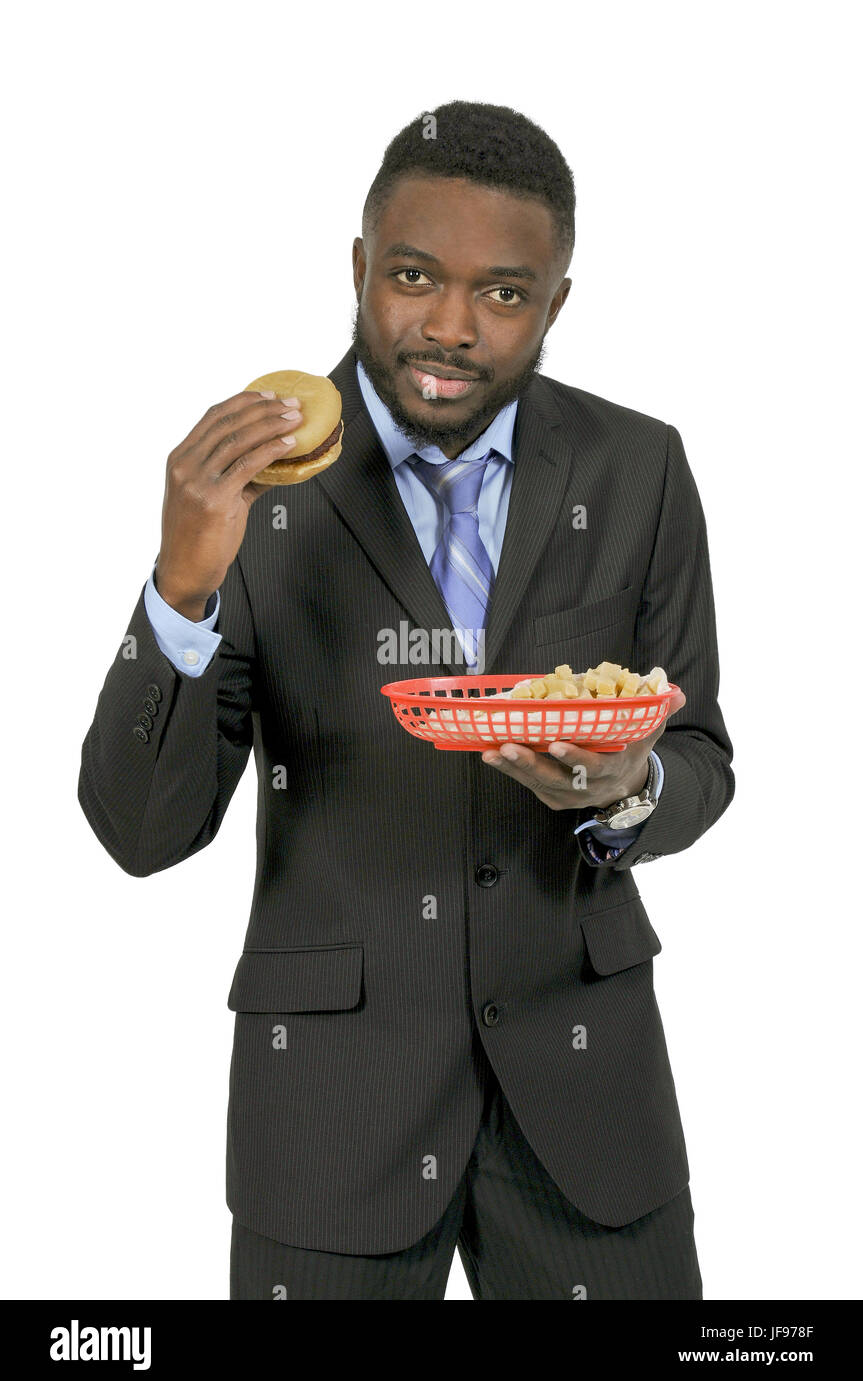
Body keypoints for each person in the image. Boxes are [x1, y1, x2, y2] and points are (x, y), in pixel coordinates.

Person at [78, 100, 734, 1300]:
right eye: (413, 276)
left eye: (502, 293)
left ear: (553, 304)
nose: (446, 327)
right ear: (358, 268)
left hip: (588, 1112)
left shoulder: (634, 468)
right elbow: (141, 832)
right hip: (334, 1111)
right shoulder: (250, 495)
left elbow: (697, 755)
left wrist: (625, 786)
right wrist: (183, 579)